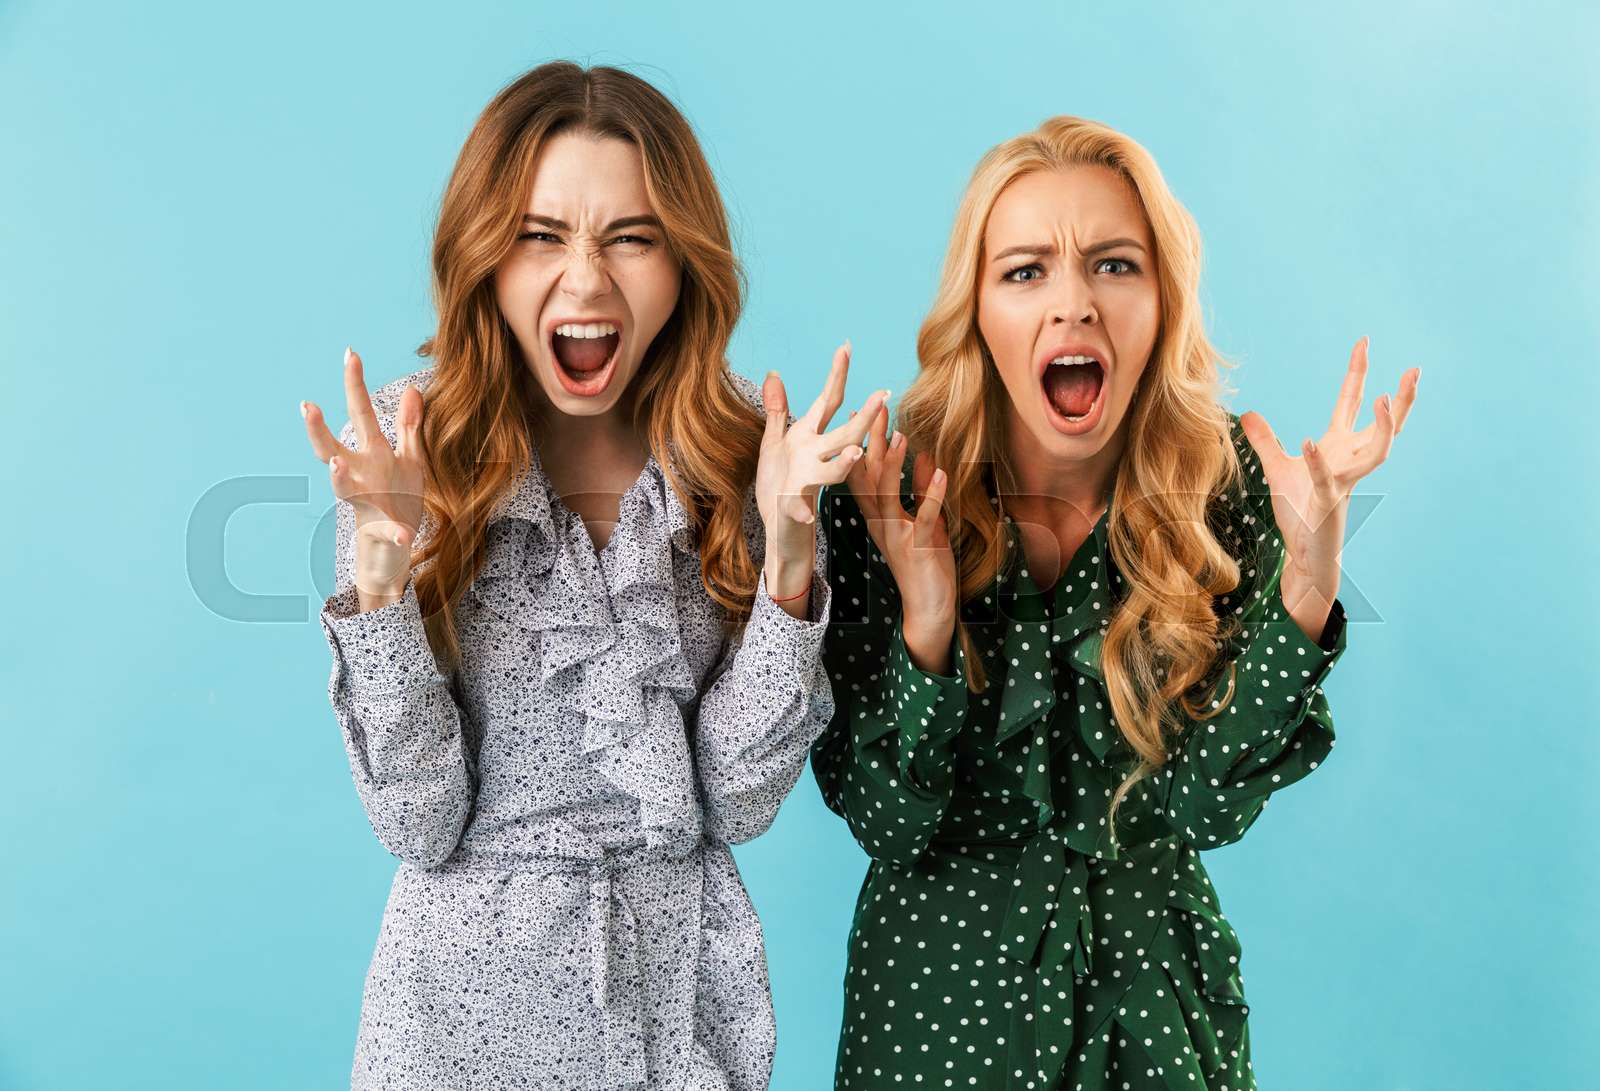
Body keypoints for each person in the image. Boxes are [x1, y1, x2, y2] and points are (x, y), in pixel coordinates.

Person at [298, 61, 883, 1090]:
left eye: (631, 235)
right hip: (461, 1018)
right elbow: (417, 823)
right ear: (485, 255)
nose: (586, 279)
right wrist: (383, 588)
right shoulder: (409, 449)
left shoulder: (744, 451)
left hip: (679, 992)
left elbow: (735, 803)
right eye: (540, 234)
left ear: (682, 260)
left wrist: (790, 565)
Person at [812, 115, 1419, 1090]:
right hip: (936, 1020)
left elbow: (1206, 808)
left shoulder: (1227, 490)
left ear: (1161, 299)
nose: (1073, 305)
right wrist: (927, 626)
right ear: (975, 307)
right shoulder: (881, 492)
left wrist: (1306, 588)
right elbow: (886, 820)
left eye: (1112, 264)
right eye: (1025, 271)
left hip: (1153, 1014)